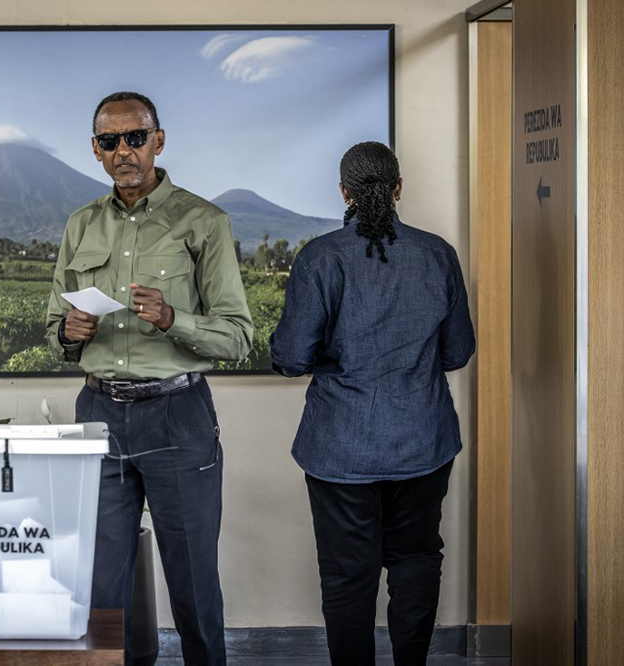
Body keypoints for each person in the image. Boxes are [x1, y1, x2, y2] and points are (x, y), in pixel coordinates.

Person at [46, 91, 253, 665]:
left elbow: (238, 335)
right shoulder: (79, 224)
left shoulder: (204, 221)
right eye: (109, 142)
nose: (124, 152)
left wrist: (171, 319)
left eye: (135, 137)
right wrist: (69, 332)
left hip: (177, 415)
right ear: (95, 151)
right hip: (98, 416)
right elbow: (52, 330)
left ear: (158, 140)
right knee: (101, 588)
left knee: (191, 584)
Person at [269, 141, 475, 666]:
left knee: (345, 575)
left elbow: (292, 358)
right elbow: (457, 352)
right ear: (398, 188)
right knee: (416, 557)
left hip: (340, 450)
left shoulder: (319, 258)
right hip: (423, 442)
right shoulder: (438, 254)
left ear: (344, 192)